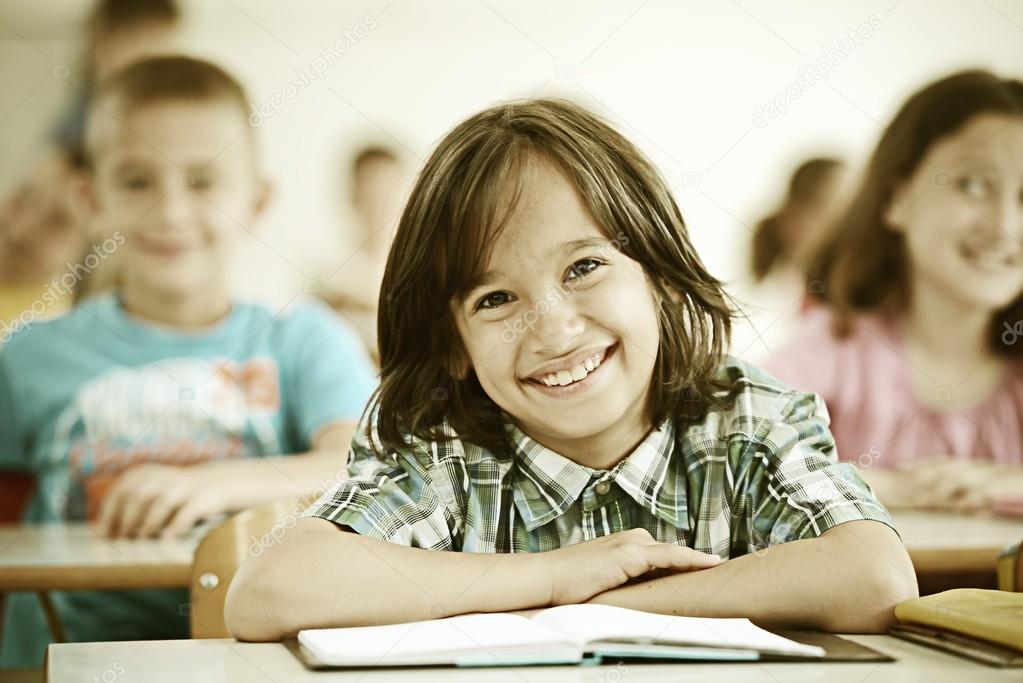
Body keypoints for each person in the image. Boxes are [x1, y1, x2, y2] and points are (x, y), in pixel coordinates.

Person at [225, 99, 917, 642]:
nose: (553, 327)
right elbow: (270, 591)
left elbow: (875, 577)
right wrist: (554, 576)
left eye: (584, 266)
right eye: (495, 299)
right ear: (453, 345)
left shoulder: (745, 420)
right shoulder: (442, 450)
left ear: (659, 276)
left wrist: (601, 609)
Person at [0, 56, 378, 667]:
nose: (171, 212)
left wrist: (214, 484)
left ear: (257, 201)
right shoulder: (27, 355)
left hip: (253, 661)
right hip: (57, 661)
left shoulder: (305, 340)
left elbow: (365, 469)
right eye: (136, 181)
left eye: (202, 182)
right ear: (90, 200)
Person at [764, 70, 1023, 511]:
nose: (1005, 225)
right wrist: (884, 486)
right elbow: (741, 464)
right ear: (896, 198)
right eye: (974, 185)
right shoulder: (831, 350)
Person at [322, 146, 405, 364]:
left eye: (388, 192)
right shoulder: (327, 274)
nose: (379, 204)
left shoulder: (421, 268)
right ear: (353, 195)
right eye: (371, 192)